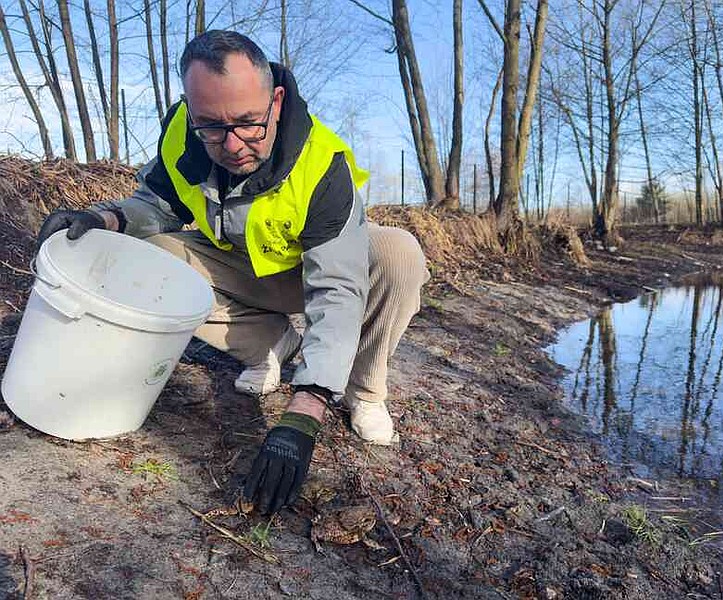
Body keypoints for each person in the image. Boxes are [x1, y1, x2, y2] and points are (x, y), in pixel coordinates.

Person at [36, 30, 429, 515]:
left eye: (248, 123)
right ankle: (269, 341)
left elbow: (339, 289)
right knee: (155, 254)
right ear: (191, 108)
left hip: (306, 271)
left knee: (399, 254)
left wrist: (305, 410)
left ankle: (363, 388)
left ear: (276, 101)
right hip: (237, 264)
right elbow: (156, 206)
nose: (233, 144)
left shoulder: (321, 165)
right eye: (212, 127)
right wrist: (105, 218)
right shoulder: (184, 135)